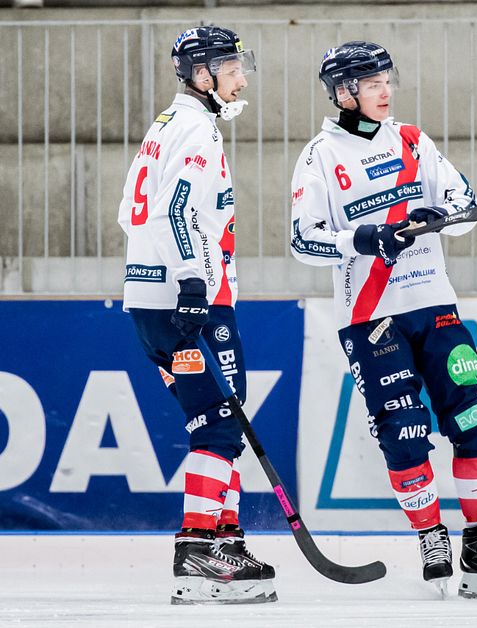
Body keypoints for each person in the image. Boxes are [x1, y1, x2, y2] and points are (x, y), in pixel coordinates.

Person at [288, 41, 477, 600]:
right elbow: (303, 239)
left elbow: (462, 199)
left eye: (387, 81)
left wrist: (439, 215)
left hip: (433, 303)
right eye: (372, 83)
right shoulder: (320, 156)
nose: (385, 91)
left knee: (473, 417)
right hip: (371, 316)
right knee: (404, 434)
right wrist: (361, 238)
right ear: (343, 92)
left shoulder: (413, 139)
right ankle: (431, 537)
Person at [117, 26, 274, 604]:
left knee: (221, 415)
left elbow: (128, 213)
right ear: (202, 73)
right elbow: (172, 212)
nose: (241, 76)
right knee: (216, 421)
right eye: (231, 66)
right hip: (183, 300)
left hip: (161, 297)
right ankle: (199, 550)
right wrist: (190, 283)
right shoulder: (195, 129)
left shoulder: (168, 123)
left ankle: (224, 539)